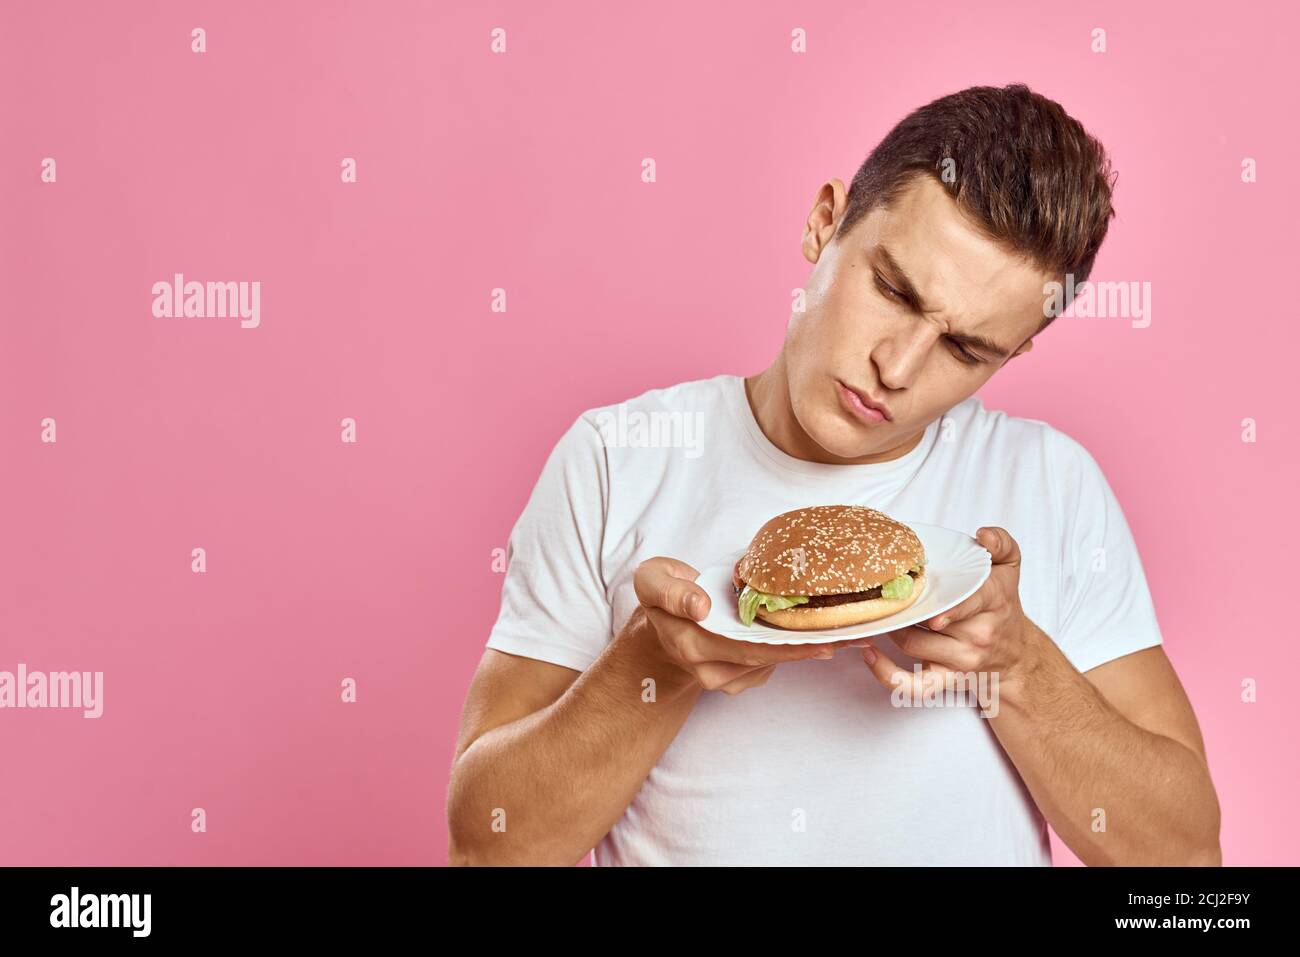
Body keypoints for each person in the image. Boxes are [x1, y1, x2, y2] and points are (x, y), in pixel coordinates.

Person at [447, 84, 1222, 866]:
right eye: (893, 289)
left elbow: (1188, 866)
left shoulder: (1053, 485)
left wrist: (1017, 667)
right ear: (826, 221)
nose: (896, 366)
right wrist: (650, 665)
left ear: (1014, 352)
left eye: (965, 350)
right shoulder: (618, 459)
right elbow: (486, 846)